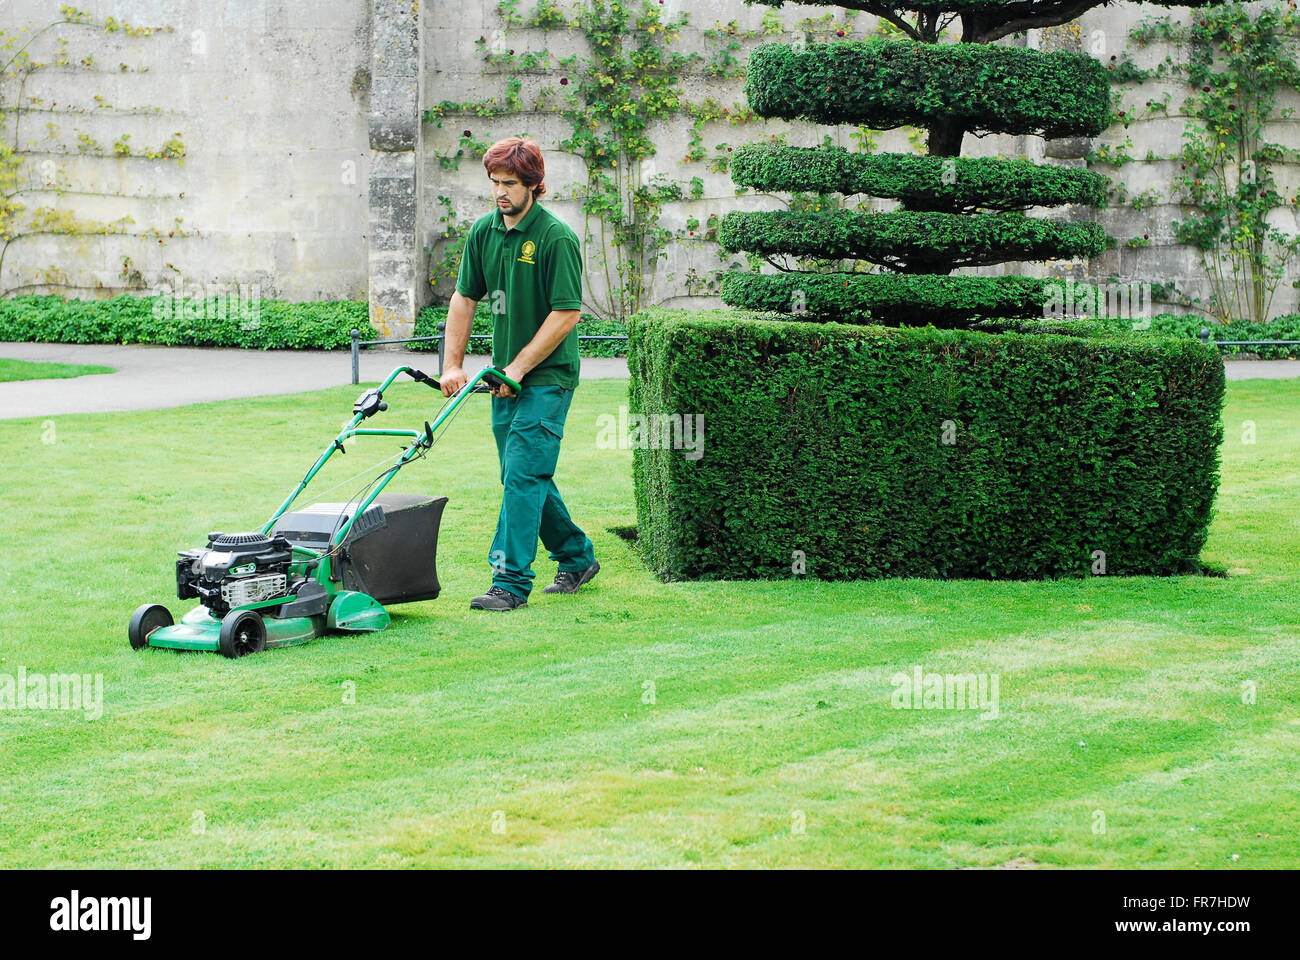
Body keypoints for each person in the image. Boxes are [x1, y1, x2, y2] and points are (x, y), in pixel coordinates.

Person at [439, 136, 599, 611]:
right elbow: (464, 299)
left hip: (547, 379)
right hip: (503, 382)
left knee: (524, 474)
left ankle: (509, 583)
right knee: (520, 474)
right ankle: (576, 556)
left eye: (509, 183)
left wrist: (517, 368)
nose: (500, 192)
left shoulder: (556, 238)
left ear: (535, 185)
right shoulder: (484, 232)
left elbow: (566, 314)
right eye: (494, 182)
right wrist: (452, 365)